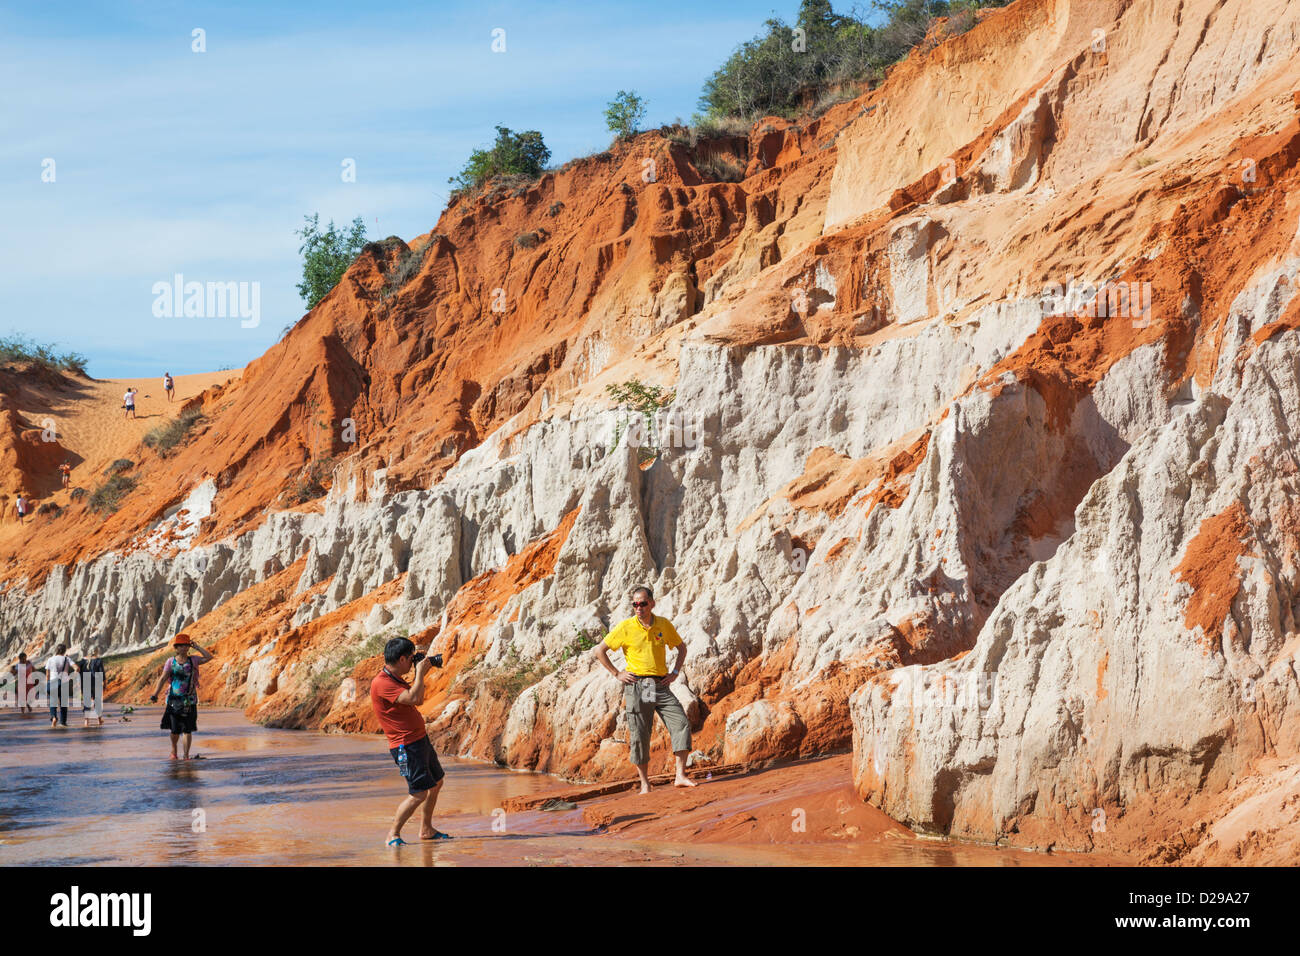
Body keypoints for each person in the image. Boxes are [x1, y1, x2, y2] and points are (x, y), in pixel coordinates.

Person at [593, 585, 697, 793]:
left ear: (652, 603)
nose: (638, 607)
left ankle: (680, 776)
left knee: (680, 723)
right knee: (641, 734)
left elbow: (682, 647)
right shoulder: (626, 627)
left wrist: (676, 671)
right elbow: (599, 651)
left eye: (643, 603)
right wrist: (617, 673)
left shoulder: (663, 625)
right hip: (639, 685)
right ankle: (645, 784)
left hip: (660, 684)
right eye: (635, 604)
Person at [370, 636, 450, 845]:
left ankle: (426, 830)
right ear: (403, 659)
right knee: (419, 792)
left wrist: (420, 672)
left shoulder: (394, 677)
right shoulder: (382, 683)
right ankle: (393, 834)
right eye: (411, 658)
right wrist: (421, 672)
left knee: (437, 782)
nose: (413, 661)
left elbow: (416, 695)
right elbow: (415, 699)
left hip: (419, 740)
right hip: (405, 747)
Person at [149, 634, 212, 759]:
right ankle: (174, 751)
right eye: (181, 646)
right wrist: (155, 694)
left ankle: (186, 755)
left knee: (187, 729)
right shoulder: (170, 662)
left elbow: (209, 657)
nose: (184, 648)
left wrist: (197, 647)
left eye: (186, 645)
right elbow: (162, 679)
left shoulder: (193, 660)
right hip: (173, 700)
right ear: (176, 648)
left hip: (189, 699)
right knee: (175, 729)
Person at [45, 644, 74, 727]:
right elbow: (77, 668)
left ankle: (54, 717)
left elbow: (47, 674)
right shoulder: (67, 659)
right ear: (64, 651)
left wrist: (47, 683)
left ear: (56, 650)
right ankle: (63, 722)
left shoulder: (50, 659)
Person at [77, 653, 106, 727]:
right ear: (94, 654)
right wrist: (104, 683)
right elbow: (101, 672)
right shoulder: (98, 660)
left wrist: (78, 683)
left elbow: (79, 672)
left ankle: (86, 722)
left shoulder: (83, 661)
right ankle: (99, 720)